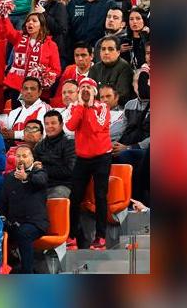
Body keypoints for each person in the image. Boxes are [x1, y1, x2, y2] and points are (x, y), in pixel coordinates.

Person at [67, 78, 112, 250]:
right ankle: (72, 235)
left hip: (102, 157)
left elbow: (95, 126)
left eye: (88, 87)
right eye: (82, 87)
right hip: (82, 158)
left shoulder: (103, 107)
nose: (85, 89)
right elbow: (71, 126)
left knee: (100, 195)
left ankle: (100, 236)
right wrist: (81, 106)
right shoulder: (74, 107)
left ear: (94, 91)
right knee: (75, 196)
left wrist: (88, 107)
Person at [0, 145, 49, 273]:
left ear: (32, 158)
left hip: (35, 224)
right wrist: (1, 217)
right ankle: (7, 269)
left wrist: (26, 177)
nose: (21, 159)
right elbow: (3, 202)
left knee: (24, 233)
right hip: (13, 223)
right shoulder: (8, 178)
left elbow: (41, 181)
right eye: (18, 156)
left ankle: (27, 273)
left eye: (25, 156)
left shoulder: (40, 173)